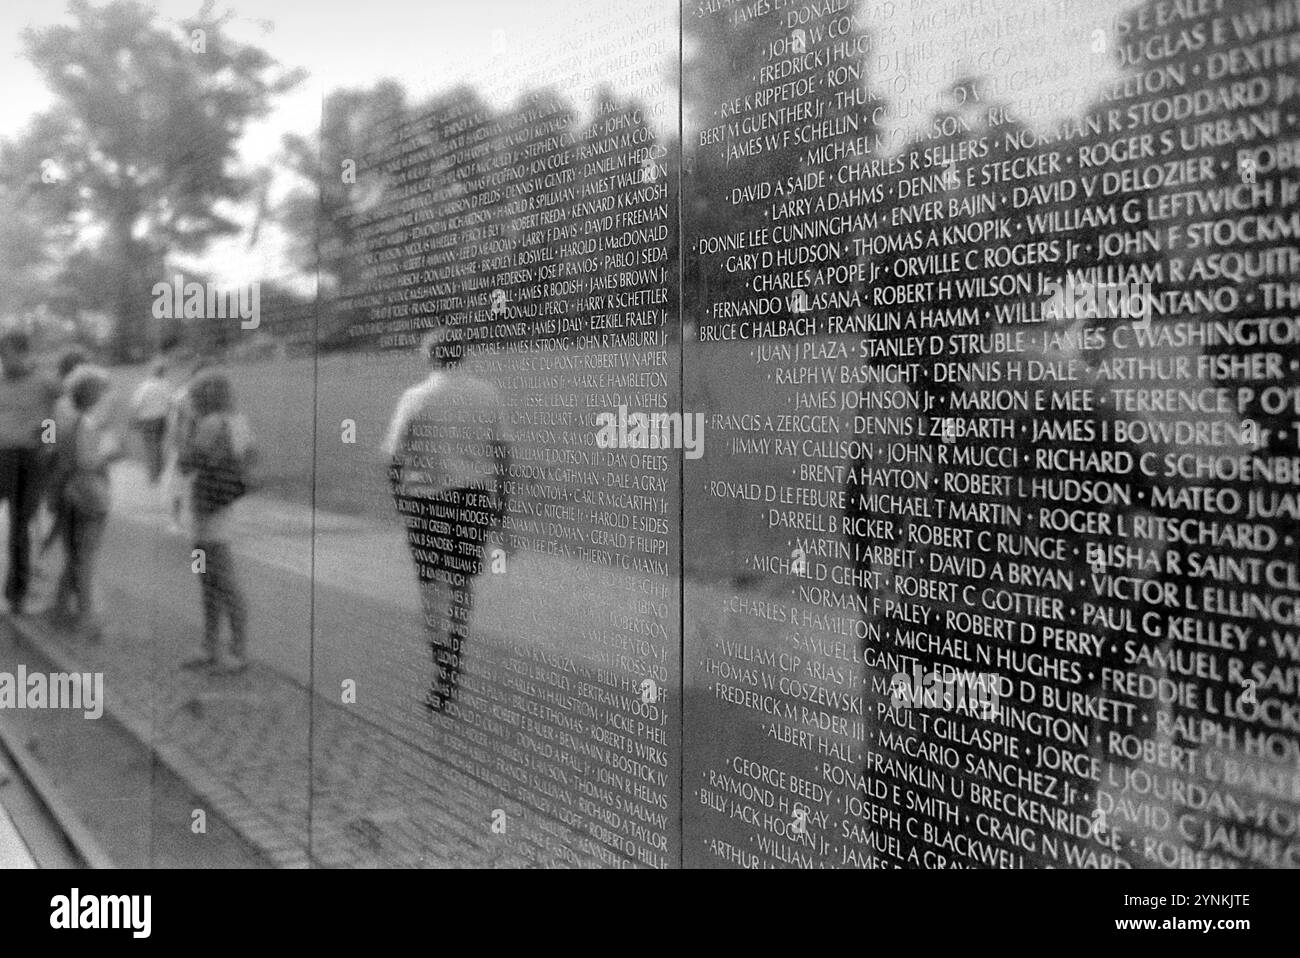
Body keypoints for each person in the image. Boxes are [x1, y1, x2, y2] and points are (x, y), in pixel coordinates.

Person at [384, 323, 511, 713]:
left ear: (429, 355)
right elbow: (503, 455)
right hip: (472, 497)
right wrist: (500, 505)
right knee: (460, 583)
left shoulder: (415, 398)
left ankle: (442, 665)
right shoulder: (487, 394)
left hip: (427, 502)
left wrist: (401, 501)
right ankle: (455, 651)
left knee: (430, 587)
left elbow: (394, 458)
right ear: (463, 354)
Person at [178, 371, 255, 675]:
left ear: (204, 397)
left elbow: (185, 464)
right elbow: (249, 460)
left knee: (215, 578)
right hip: (223, 503)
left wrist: (188, 427)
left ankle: (229, 649)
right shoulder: (237, 421)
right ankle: (219, 645)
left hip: (207, 507)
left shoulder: (209, 424)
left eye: (195, 395)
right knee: (214, 576)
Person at [48, 365, 123, 639]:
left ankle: (59, 606)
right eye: (104, 393)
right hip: (91, 496)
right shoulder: (89, 425)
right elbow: (87, 461)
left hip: (71, 494)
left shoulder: (68, 423)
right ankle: (85, 615)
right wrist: (112, 455)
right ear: (95, 397)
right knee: (86, 559)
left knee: (75, 555)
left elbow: (57, 454)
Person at [0, 330, 59, 615]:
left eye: (7, 354)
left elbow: (53, 416)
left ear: (23, 353)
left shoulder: (44, 384)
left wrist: (48, 445)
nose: (3, 360)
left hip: (28, 459)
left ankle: (17, 595)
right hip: (1, 456)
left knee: (19, 527)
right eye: (1, 355)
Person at [129, 362, 171, 484]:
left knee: (150, 447)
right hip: (162, 419)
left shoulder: (145, 387)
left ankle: (153, 476)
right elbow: (170, 403)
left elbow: (136, 404)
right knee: (159, 446)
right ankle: (160, 472)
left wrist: (133, 419)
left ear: (152, 371)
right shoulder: (166, 385)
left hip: (148, 420)